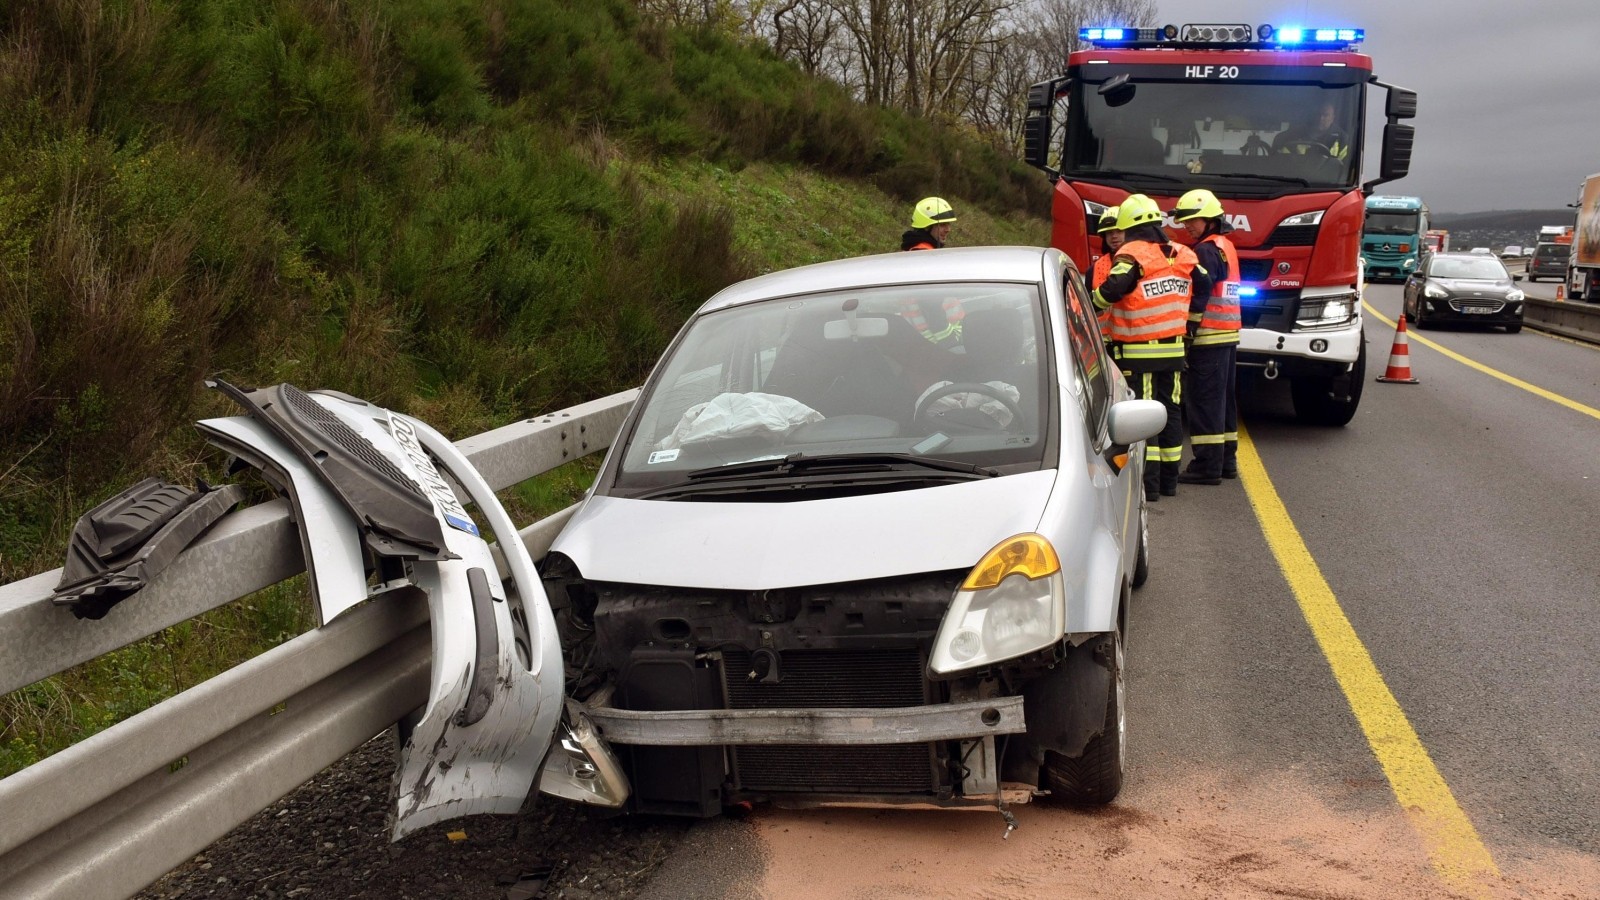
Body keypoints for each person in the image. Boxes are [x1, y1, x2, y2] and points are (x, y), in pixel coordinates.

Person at [1091, 194, 1210, 501]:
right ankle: (1170, 482)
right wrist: (1192, 322)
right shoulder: (1181, 253)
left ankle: (1150, 485)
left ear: (1129, 226)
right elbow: (1205, 282)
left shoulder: (1133, 253)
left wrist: (1094, 303)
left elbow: (1114, 287)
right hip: (1173, 351)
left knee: (1144, 417)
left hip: (1139, 351)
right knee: (1170, 412)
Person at [1169, 188, 1240, 485]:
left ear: (1210, 219)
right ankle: (1226, 461)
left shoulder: (1205, 251)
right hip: (1226, 334)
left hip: (1208, 336)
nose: (1187, 225)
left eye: (1193, 220)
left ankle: (1206, 466)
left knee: (1203, 401)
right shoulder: (1224, 245)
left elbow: (1200, 293)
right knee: (1223, 400)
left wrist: (1189, 329)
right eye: (1184, 220)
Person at [1273, 99, 1349, 160]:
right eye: (1318, 114)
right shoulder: (1294, 134)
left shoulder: (1342, 139)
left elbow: (1344, 167)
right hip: (1295, 175)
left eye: (1325, 115)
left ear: (1332, 118)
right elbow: (1281, 162)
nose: (1321, 118)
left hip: (1329, 178)